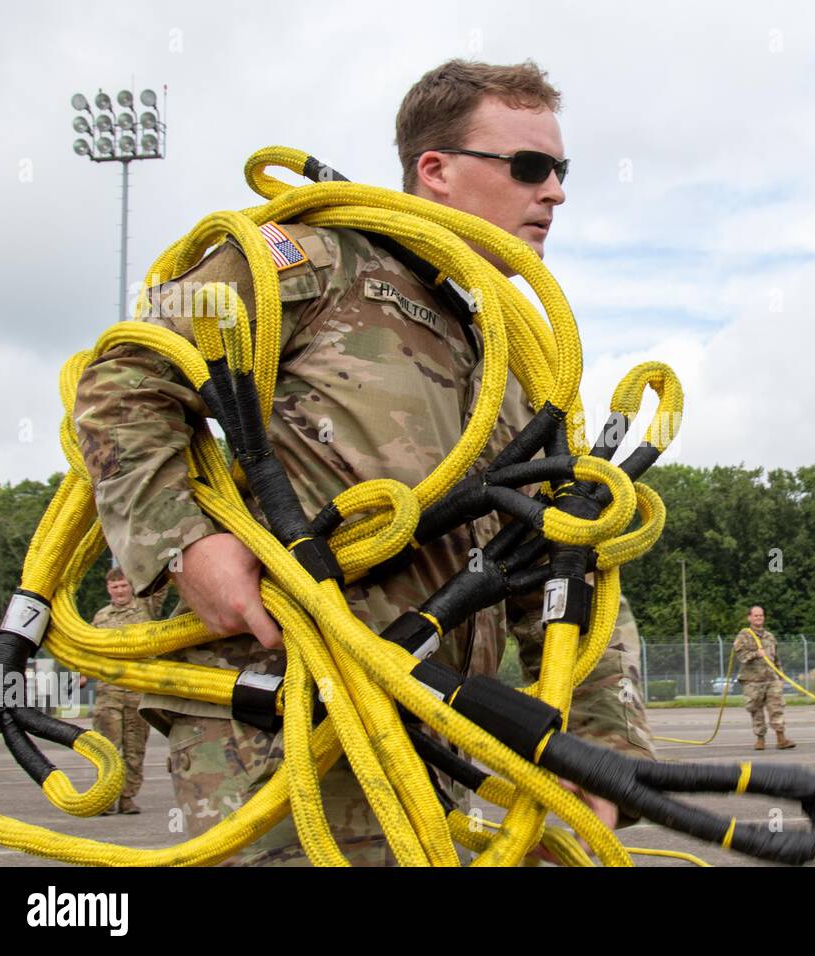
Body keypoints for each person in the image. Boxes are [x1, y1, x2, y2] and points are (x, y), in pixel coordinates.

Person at [73, 59, 654, 865]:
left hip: (438, 738)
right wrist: (186, 547)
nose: (554, 191)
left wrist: (603, 736)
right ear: (437, 171)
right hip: (282, 728)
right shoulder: (313, 262)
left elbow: (556, 549)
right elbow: (122, 382)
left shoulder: (513, 359)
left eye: (561, 170)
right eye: (529, 167)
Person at [88, 568, 166, 814]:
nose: (120, 591)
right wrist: (81, 673)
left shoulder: (147, 607)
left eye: (123, 586)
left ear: (130, 587)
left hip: (137, 691)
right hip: (109, 691)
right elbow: (89, 648)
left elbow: (161, 585)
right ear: (108, 589)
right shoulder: (101, 618)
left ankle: (127, 797)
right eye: (115, 587)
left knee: (135, 749)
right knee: (107, 748)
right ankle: (106, 798)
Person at [732, 605, 795, 751]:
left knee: (776, 708)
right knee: (756, 710)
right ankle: (760, 739)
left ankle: (781, 738)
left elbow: (776, 658)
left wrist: (780, 674)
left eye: (761, 615)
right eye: (756, 615)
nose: (759, 618)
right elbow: (741, 656)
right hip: (753, 681)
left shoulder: (770, 637)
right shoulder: (743, 636)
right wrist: (756, 654)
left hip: (771, 679)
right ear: (749, 617)